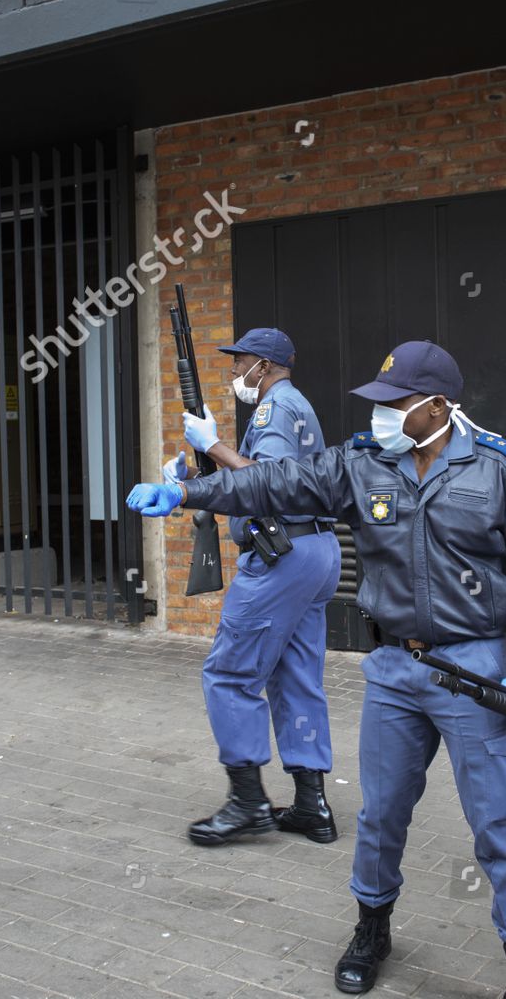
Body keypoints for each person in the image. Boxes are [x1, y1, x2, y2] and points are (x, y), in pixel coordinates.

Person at [128, 340, 506, 998]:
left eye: (397, 403)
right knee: (381, 813)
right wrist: (190, 492)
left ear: (438, 407)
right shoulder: (363, 463)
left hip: (475, 666)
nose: (383, 413)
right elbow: (274, 481)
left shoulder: (500, 469)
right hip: (393, 666)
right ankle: (372, 929)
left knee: (497, 822)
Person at [162, 327, 344, 846]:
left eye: (239, 361)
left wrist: (212, 446)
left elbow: (266, 481)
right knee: (295, 676)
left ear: (263, 365)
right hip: (314, 551)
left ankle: (248, 803)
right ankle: (311, 805)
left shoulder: (274, 409)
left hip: (280, 555)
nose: (233, 371)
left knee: (229, 674)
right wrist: (202, 462)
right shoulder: (294, 405)